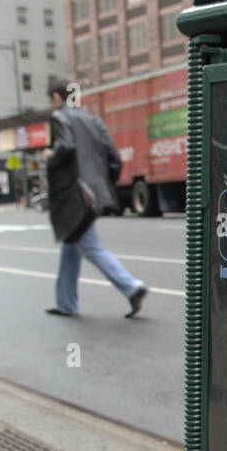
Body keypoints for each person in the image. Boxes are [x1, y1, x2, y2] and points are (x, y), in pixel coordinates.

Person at [43, 81, 147, 318]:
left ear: (58, 97)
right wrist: (102, 185)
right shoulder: (92, 120)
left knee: (87, 245)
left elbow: (66, 147)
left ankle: (131, 286)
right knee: (71, 244)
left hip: (76, 194)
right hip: (95, 192)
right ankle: (65, 302)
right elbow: (114, 158)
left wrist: (50, 156)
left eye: (51, 100)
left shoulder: (60, 117)